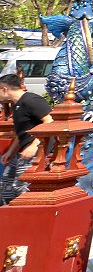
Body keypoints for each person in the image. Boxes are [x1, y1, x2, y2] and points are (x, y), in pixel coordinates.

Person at [0, 74, 53, 205]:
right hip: (23, 151)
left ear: (4, 89)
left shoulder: (31, 100)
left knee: (21, 185)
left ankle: (29, 214)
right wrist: (10, 152)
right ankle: (10, 213)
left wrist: (35, 145)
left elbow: (50, 121)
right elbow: (21, 132)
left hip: (36, 150)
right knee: (5, 183)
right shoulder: (16, 104)